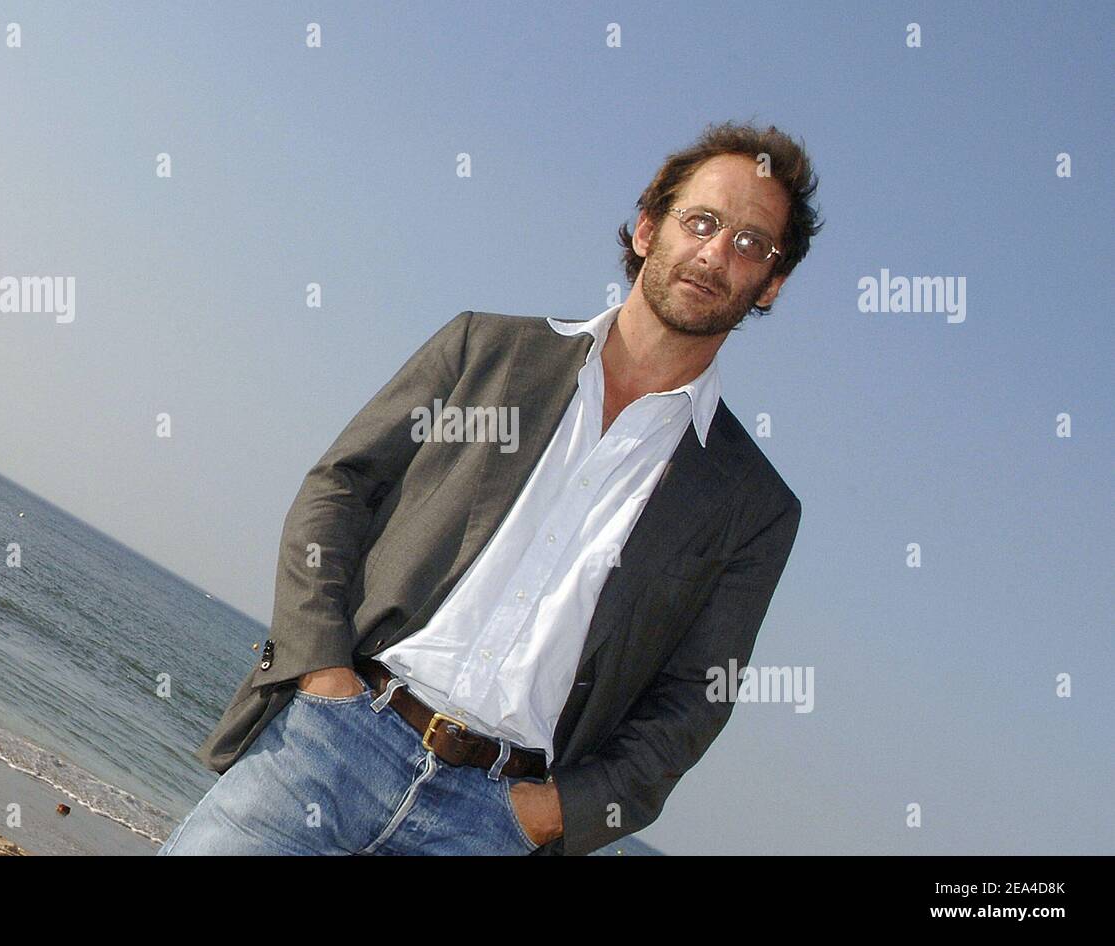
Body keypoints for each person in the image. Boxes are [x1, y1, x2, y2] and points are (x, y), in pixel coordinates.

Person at [159, 120, 820, 856]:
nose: (716, 252)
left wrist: (553, 812)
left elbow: (695, 699)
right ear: (646, 228)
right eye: (700, 221)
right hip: (327, 745)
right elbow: (339, 490)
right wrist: (320, 670)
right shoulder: (485, 349)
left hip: (492, 824)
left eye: (751, 243)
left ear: (772, 284)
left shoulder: (753, 507)